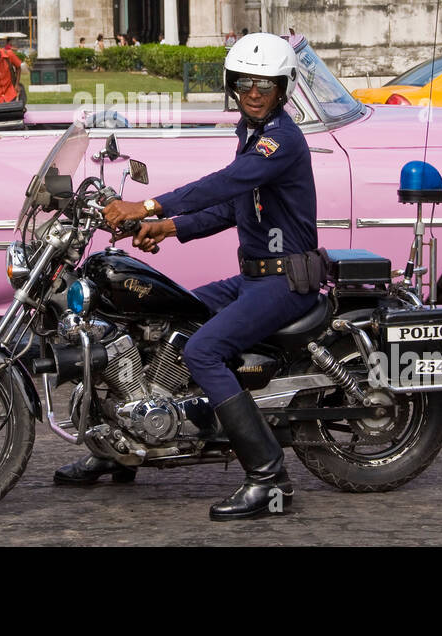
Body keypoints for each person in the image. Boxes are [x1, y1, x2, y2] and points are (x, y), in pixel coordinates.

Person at [54, 33, 320, 521]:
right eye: (244, 82)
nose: (254, 91)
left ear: (283, 88)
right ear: (232, 85)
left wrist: (150, 204)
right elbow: (231, 207)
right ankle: (119, 448)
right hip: (253, 278)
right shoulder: (248, 130)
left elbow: (224, 184)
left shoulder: (282, 138)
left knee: (202, 350)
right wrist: (166, 227)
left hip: (285, 283)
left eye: (265, 83)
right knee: (159, 324)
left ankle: (268, 476)